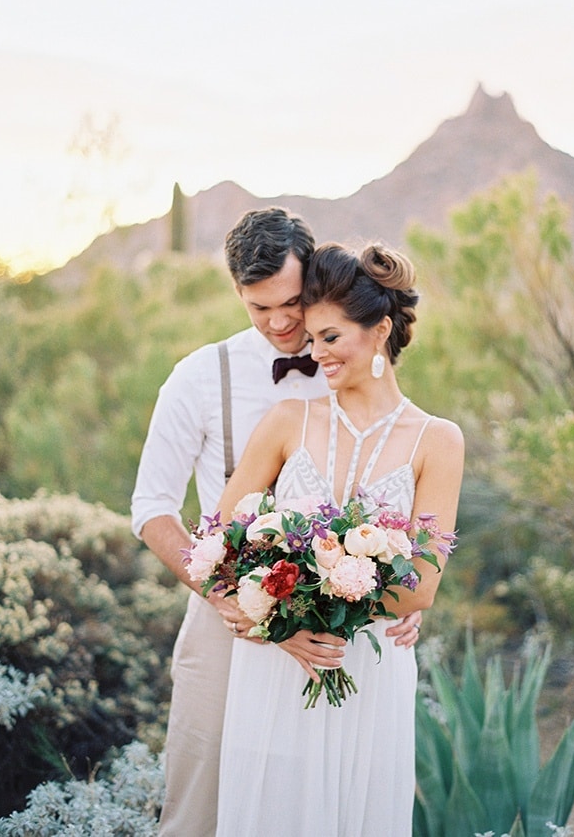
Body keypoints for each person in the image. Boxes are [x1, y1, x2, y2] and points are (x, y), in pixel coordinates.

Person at [130, 208, 422, 837]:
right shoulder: (199, 377)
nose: (282, 323)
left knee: (320, 805)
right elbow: (152, 509)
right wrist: (235, 601)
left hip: (342, 637)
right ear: (237, 292)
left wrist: (399, 590)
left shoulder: (351, 358)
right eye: (259, 307)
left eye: (292, 303)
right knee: (199, 809)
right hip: (226, 620)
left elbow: (394, 480)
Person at [213, 241, 465, 836]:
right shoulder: (286, 421)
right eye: (312, 338)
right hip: (278, 667)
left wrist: (306, 603)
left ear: (380, 331)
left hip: (371, 671)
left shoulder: (438, 440)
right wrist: (278, 626)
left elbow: (421, 587)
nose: (316, 352)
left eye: (330, 337)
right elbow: (216, 548)